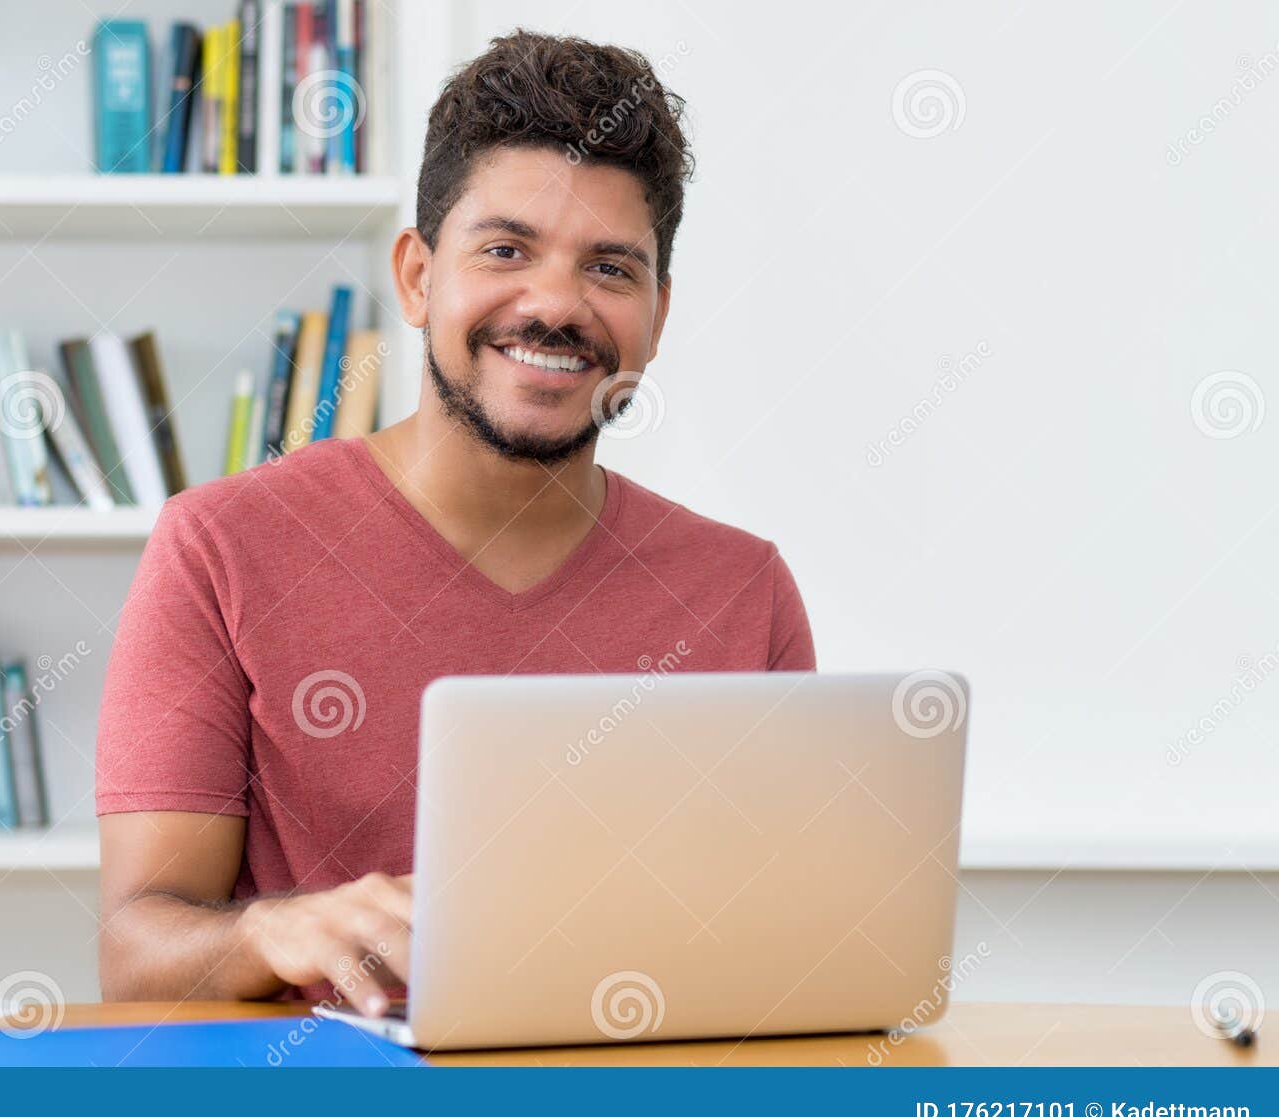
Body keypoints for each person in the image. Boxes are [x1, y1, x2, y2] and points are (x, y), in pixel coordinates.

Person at [95, 29, 816, 1016]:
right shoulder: (218, 545)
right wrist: (269, 928)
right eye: (506, 249)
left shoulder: (746, 591)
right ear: (417, 276)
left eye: (610, 269)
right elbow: (135, 953)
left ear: (657, 312)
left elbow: (796, 940)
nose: (555, 304)